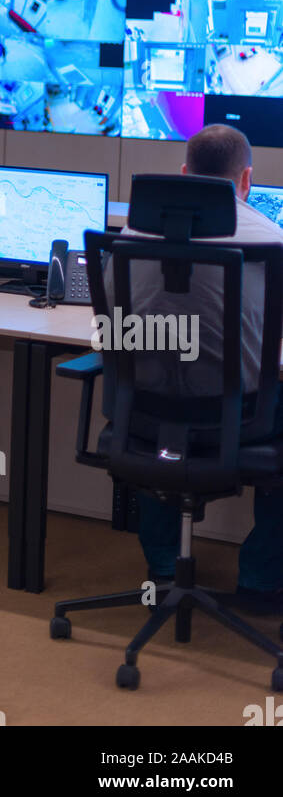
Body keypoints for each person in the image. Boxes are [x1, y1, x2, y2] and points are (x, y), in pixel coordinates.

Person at [109, 124, 283, 609]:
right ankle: (260, 581)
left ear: (184, 173)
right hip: (240, 422)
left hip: (141, 417)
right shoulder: (273, 243)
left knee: (160, 406)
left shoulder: (130, 237)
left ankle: (163, 568)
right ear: (247, 179)